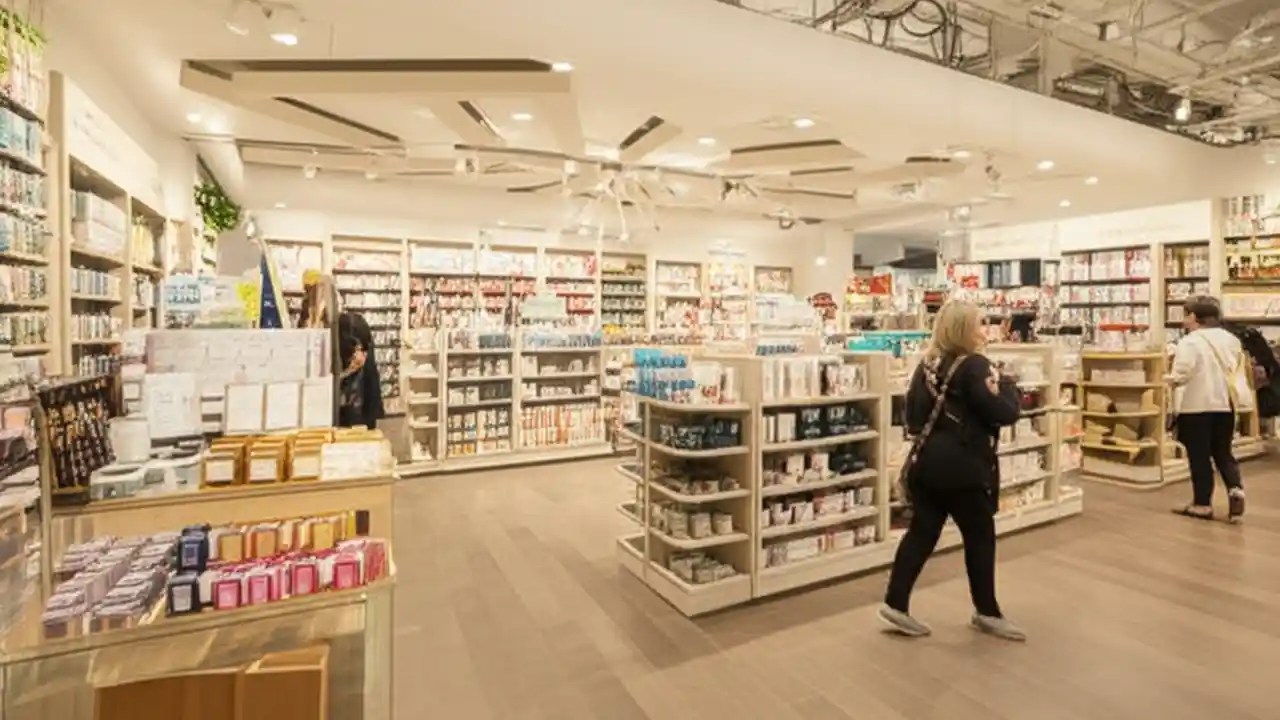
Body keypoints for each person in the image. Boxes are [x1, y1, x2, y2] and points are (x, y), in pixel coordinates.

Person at [878, 300, 1026, 641]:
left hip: (927, 463)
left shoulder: (926, 365)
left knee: (922, 531)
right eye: (979, 323)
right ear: (963, 328)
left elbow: (913, 417)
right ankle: (987, 611)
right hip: (964, 467)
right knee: (979, 536)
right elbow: (1004, 412)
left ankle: (895, 602)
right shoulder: (976, 366)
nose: (984, 328)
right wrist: (1006, 386)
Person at [1168, 296, 1251, 522]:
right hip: (1226, 404)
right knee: (1223, 452)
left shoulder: (1190, 342)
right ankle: (1235, 490)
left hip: (1197, 405)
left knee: (1199, 456)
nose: (1184, 319)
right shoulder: (1231, 340)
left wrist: (1168, 380)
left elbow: (1182, 373)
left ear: (1194, 316)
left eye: (1186, 314)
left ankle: (1202, 504)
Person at [337, 332, 368, 428]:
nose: (359, 354)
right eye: (357, 350)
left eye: (359, 349)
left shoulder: (356, 366)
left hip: (352, 405)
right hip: (352, 404)